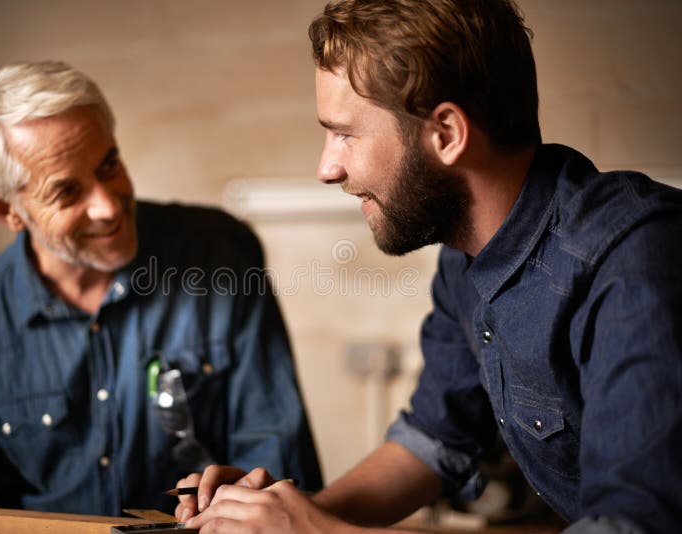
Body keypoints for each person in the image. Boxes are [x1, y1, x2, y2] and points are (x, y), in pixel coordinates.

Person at [175, 0, 682, 532]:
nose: (328, 168)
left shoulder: (635, 263)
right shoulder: (466, 257)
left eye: (345, 133)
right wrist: (280, 514)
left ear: (446, 133)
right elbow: (434, 440)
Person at [0, 60, 322, 516]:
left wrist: (252, 494)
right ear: (7, 211)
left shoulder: (219, 254)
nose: (107, 206)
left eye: (109, 164)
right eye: (67, 192)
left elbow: (277, 457)